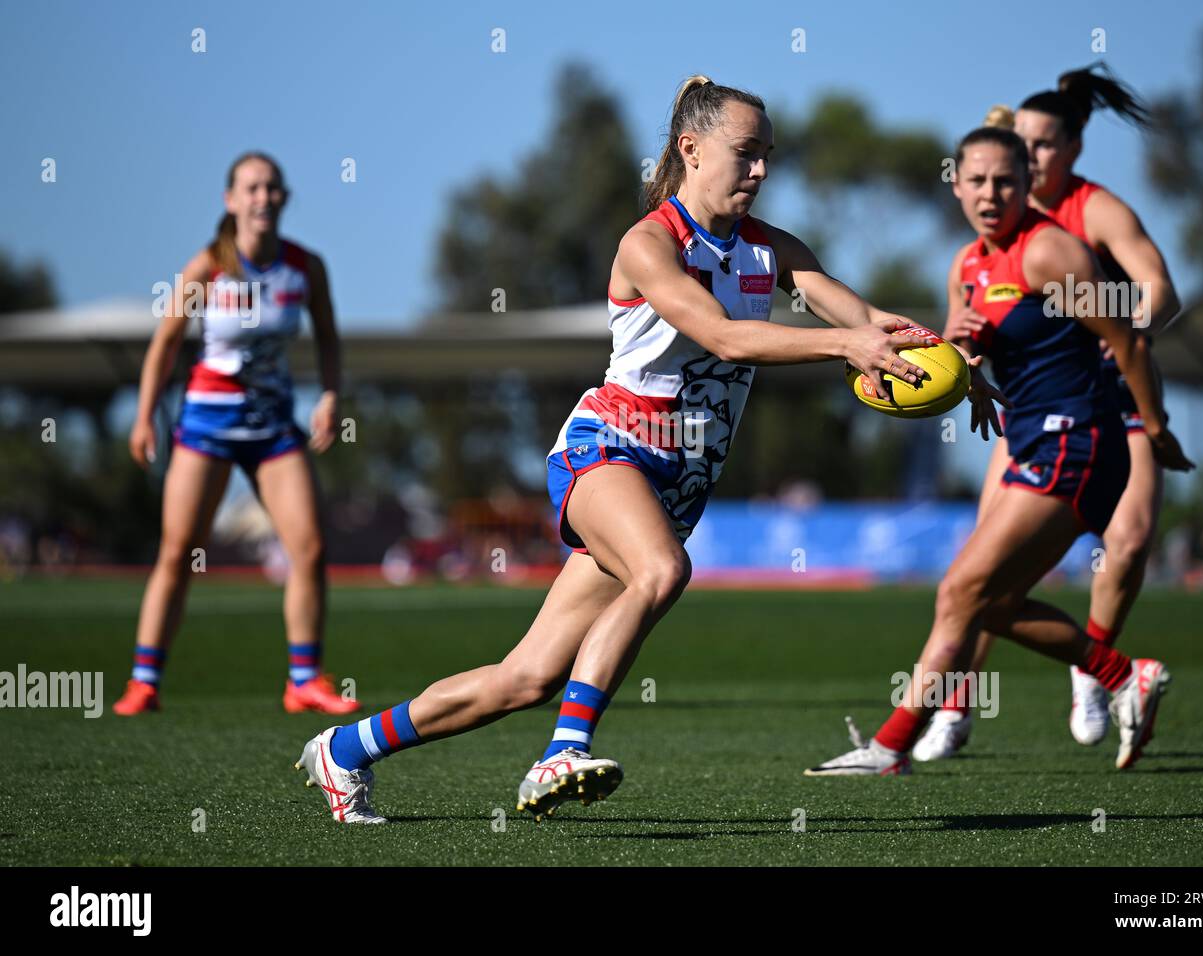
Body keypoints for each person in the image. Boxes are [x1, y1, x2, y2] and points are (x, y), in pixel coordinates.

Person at [293, 75, 1002, 824]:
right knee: (664, 569)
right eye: (746, 154)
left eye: (768, 156)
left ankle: (346, 750)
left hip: (676, 484)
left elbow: (865, 318)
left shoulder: (773, 249)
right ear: (691, 151)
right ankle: (562, 752)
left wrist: (949, 365)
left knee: (525, 676)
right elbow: (725, 336)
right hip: (608, 449)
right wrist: (844, 346)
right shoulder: (648, 244)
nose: (760, 171)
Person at [805, 125, 1193, 778]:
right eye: (977, 180)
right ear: (956, 184)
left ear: (1027, 185)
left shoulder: (1049, 253)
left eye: (1006, 181)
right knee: (994, 604)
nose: (991, 193)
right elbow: (972, 350)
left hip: (1080, 441)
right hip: (1030, 440)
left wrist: (1155, 428)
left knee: (960, 590)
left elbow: (1126, 340)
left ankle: (891, 745)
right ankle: (1126, 675)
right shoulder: (967, 264)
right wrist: (964, 363)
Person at [914, 67, 1184, 760]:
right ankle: (956, 705)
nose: (1029, 157)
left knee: (1126, 543)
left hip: (1111, 397)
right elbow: (963, 327)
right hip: (1035, 408)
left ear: (1073, 149)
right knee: (981, 566)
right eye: (1020, 144)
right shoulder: (991, 231)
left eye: (1042, 145)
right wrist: (955, 356)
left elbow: (1160, 290)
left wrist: (1120, 335)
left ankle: (1094, 670)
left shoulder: (1095, 213)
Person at [113, 152, 357, 718]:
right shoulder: (208, 266)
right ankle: (144, 682)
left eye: (272, 188)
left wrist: (329, 396)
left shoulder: (305, 267)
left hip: (273, 427)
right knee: (178, 551)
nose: (263, 197)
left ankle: (304, 680)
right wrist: (145, 414)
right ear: (230, 200)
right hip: (206, 427)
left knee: (311, 547)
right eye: (251, 188)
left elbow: (327, 336)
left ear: (285, 197)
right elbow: (166, 344)